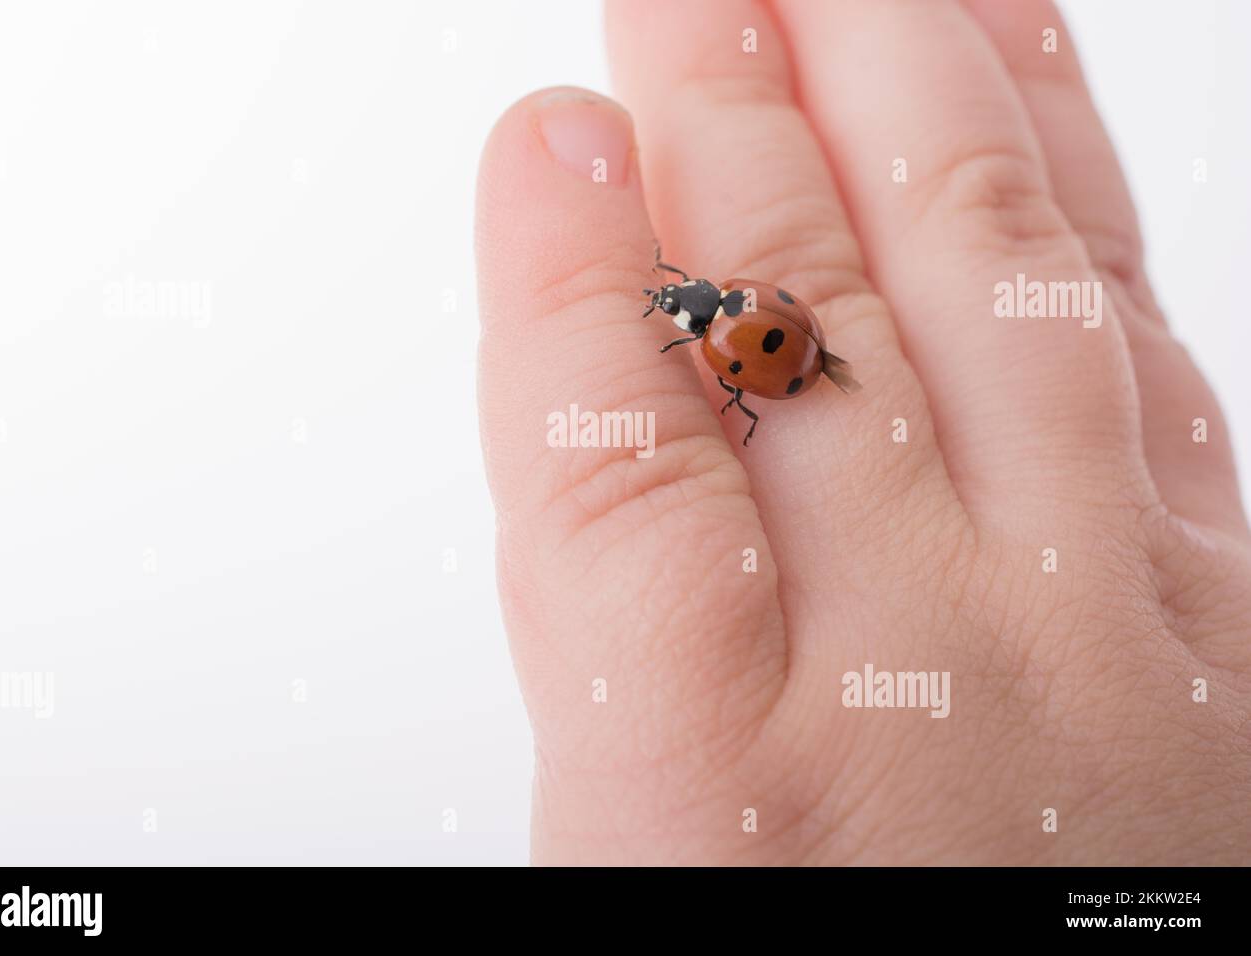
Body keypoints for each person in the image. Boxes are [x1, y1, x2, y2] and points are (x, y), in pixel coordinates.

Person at [474, 0, 1251, 864]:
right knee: (985, 217)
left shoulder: (719, 331)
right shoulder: (729, 314)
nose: (678, 306)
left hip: (797, 360)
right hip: (799, 353)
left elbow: (743, 364)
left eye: (676, 303)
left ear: (690, 308)